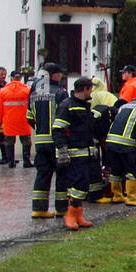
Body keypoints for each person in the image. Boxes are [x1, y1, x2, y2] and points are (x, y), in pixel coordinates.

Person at [52, 77, 97, 230]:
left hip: (84, 152)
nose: (91, 92)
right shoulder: (68, 106)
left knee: (83, 184)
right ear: (85, 89)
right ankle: (70, 215)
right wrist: (62, 151)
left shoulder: (84, 106)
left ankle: (78, 214)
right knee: (78, 184)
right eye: (90, 89)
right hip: (73, 153)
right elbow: (58, 129)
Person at [27, 63, 69, 218]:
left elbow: (29, 117)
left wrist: (40, 130)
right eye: (59, 74)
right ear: (53, 75)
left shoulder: (34, 93)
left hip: (40, 142)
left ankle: (39, 209)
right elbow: (66, 118)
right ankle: (62, 208)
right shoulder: (60, 93)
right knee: (62, 174)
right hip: (57, 142)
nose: (61, 77)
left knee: (43, 174)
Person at [104, 91, 136, 207]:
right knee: (134, 170)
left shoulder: (125, 106)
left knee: (117, 170)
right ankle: (132, 197)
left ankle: (117, 196)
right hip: (127, 143)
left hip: (111, 141)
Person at [89, 76, 119, 203]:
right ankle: (109, 185)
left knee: (94, 161)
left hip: (96, 131)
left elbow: (90, 116)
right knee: (109, 161)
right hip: (110, 131)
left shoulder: (92, 96)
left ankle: (97, 189)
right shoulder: (110, 96)